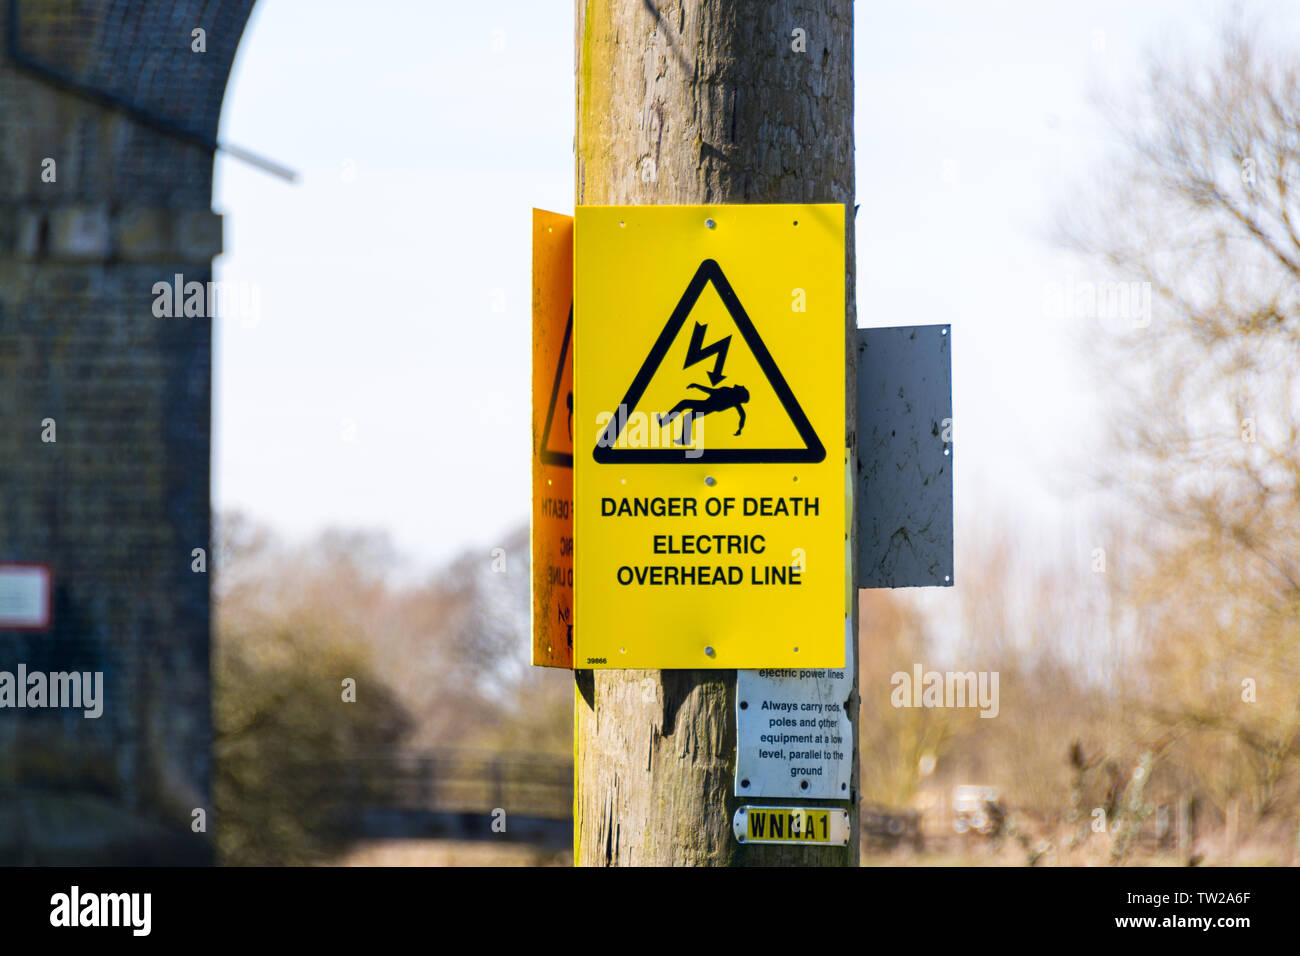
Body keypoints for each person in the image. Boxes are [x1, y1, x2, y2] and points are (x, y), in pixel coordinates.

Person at [657, 383, 750, 443]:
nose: (741, 385)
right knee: (687, 411)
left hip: (708, 406)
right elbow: (743, 415)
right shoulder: (731, 395)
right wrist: (740, 428)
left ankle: (667, 424)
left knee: (686, 409)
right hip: (707, 405)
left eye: (742, 388)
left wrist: (697, 386)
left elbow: (711, 391)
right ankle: (678, 434)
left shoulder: (731, 395)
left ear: (740, 393)